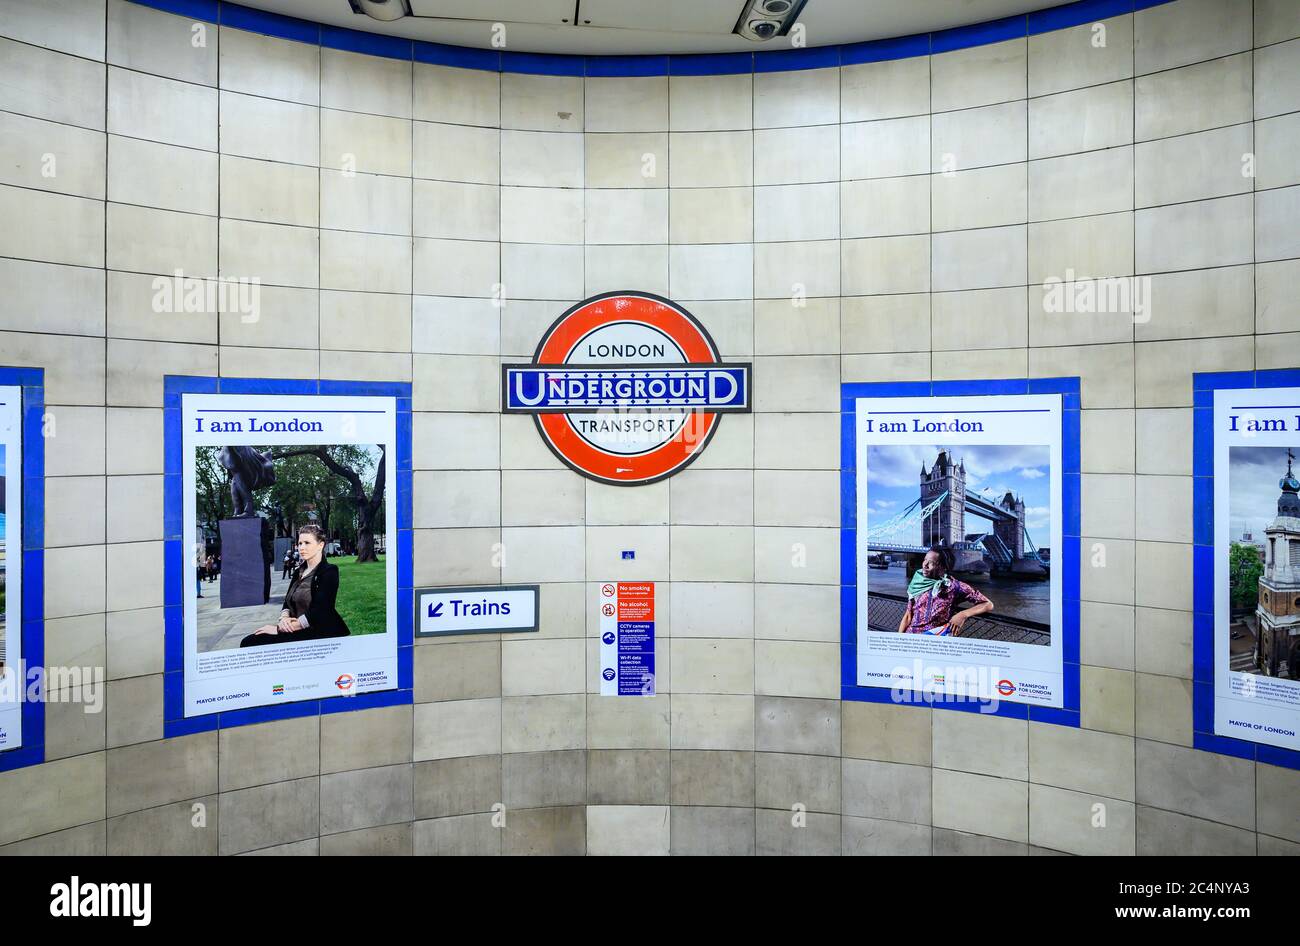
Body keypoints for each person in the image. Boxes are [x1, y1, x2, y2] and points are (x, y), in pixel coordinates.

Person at [241, 524, 350, 647]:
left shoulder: (329, 571)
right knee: (249, 640)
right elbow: (287, 601)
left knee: (250, 642)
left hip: (317, 631)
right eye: (300, 543)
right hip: (295, 627)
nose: (301, 548)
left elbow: (321, 610)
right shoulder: (299, 571)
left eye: (307, 543)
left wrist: (279, 629)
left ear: (321, 545)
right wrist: (284, 619)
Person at [898, 545, 994, 637]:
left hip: (935, 641)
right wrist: (899, 639)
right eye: (925, 560)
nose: (925, 565)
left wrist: (963, 614)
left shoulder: (955, 587)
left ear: (943, 567)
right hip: (910, 638)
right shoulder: (917, 583)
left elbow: (987, 604)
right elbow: (908, 616)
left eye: (931, 562)